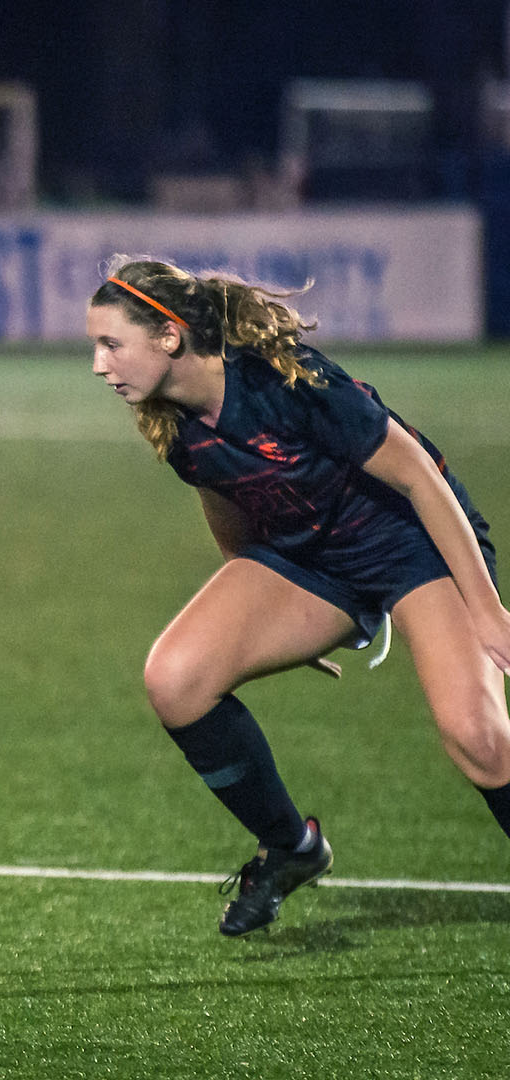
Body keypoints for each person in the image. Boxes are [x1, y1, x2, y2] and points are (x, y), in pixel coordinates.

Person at [87, 257, 510, 937]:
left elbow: (422, 480)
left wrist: (487, 611)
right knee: (175, 679)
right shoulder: (175, 420)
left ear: (168, 336)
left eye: (111, 344)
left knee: (479, 739)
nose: (100, 365)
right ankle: (290, 848)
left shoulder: (289, 382)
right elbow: (223, 498)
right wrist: (255, 609)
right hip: (309, 561)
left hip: (412, 544)